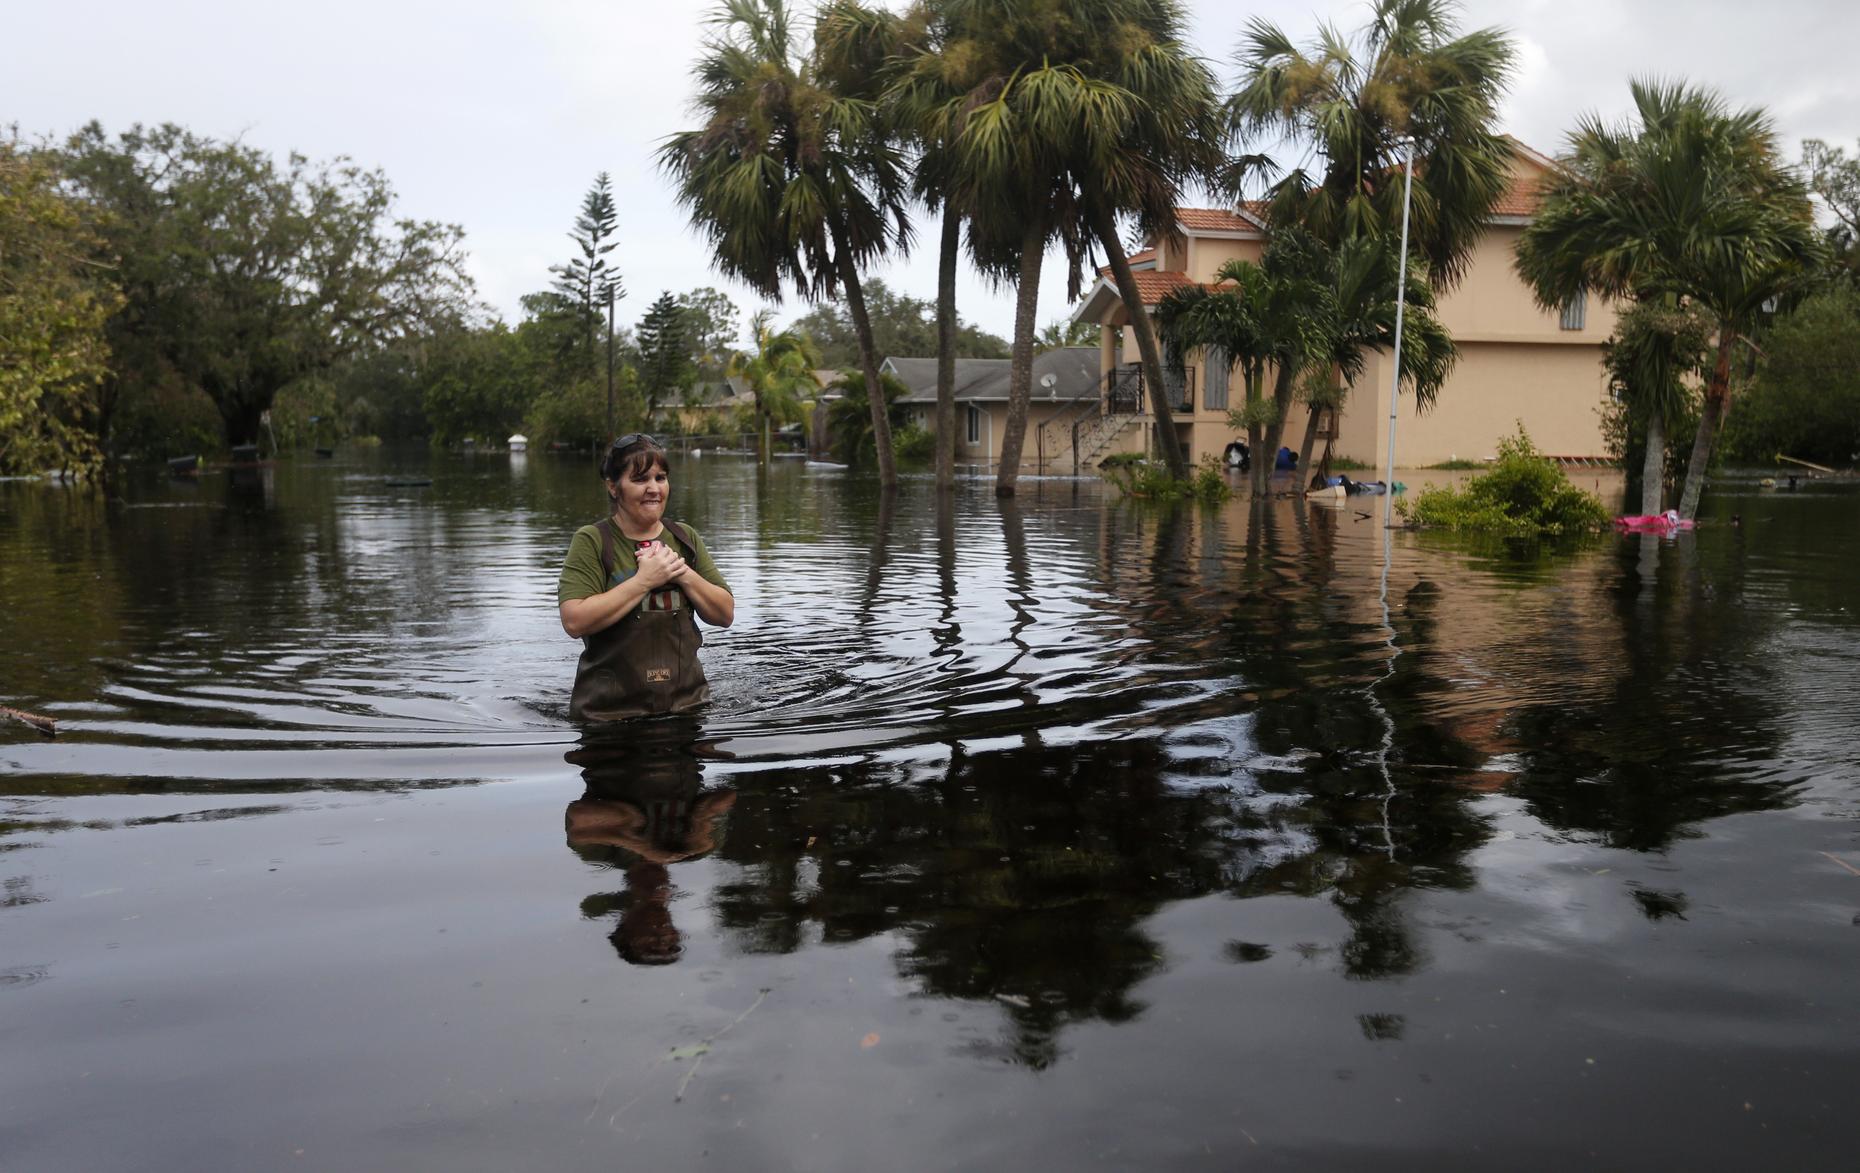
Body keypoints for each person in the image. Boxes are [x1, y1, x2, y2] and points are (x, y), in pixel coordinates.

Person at [558, 434, 734, 721]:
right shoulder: (592, 540)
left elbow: (725, 614)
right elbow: (574, 621)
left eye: (660, 478)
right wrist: (645, 581)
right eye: (640, 479)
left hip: (688, 712)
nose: (654, 488)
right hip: (607, 720)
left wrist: (681, 572)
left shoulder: (685, 538)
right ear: (613, 487)